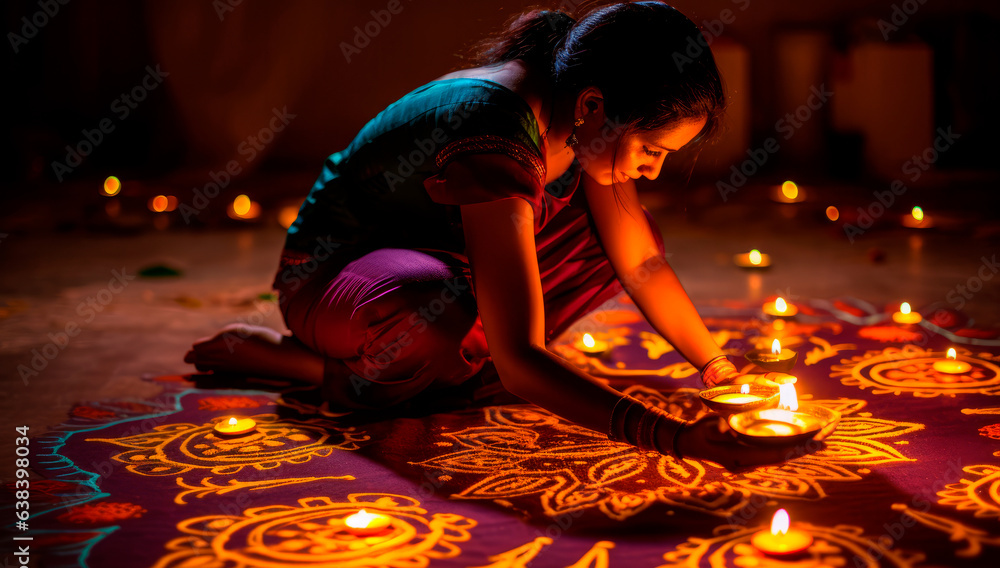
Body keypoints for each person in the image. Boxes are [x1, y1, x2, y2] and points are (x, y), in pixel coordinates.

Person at [185, 2, 794, 468]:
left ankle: (463, 360)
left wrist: (719, 369)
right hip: (340, 280)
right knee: (440, 314)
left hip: (454, 267)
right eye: (651, 149)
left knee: (621, 237)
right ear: (592, 106)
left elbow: (641, 267)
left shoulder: (580, 122)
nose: (652, 169)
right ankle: (306, 366)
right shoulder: (494, 126)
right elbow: (525, 359)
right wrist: (669, 436)